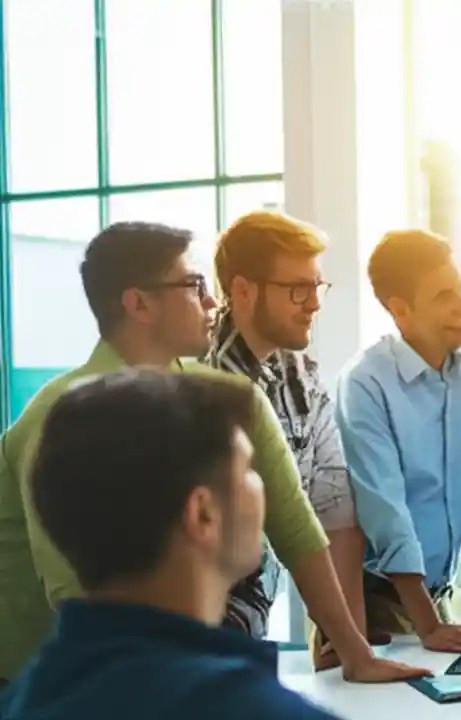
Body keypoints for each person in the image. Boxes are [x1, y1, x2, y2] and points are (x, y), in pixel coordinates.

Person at [0, 222, 423, 683]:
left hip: (155, 673)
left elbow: (296, 528)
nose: (211, 301)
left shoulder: (230, 400)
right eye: (193, 285)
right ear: (138, 303)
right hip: (41, 686)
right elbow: (74, 590)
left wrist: (355, 654)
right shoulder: (61, 417)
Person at [0, 370, 349, 719]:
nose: (262, 486)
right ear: (203, 513)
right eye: (246, 468)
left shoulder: (25, 697)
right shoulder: (252, 709)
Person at [334, 229, 461, 652]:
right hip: (372, 604)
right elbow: (386, 511)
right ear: (400, 310)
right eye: (443, 295)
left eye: (460, 288)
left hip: (434, 600)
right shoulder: (366, 383)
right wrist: (429, 627)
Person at [206, 210, 372, 666]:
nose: (314, 303)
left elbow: (333, 509)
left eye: (316, 286)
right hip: (194, 639)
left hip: (252, 631)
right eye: (297, 288)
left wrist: (348, 643)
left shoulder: (301, 375)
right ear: (242, 290)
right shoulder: (198, 383)